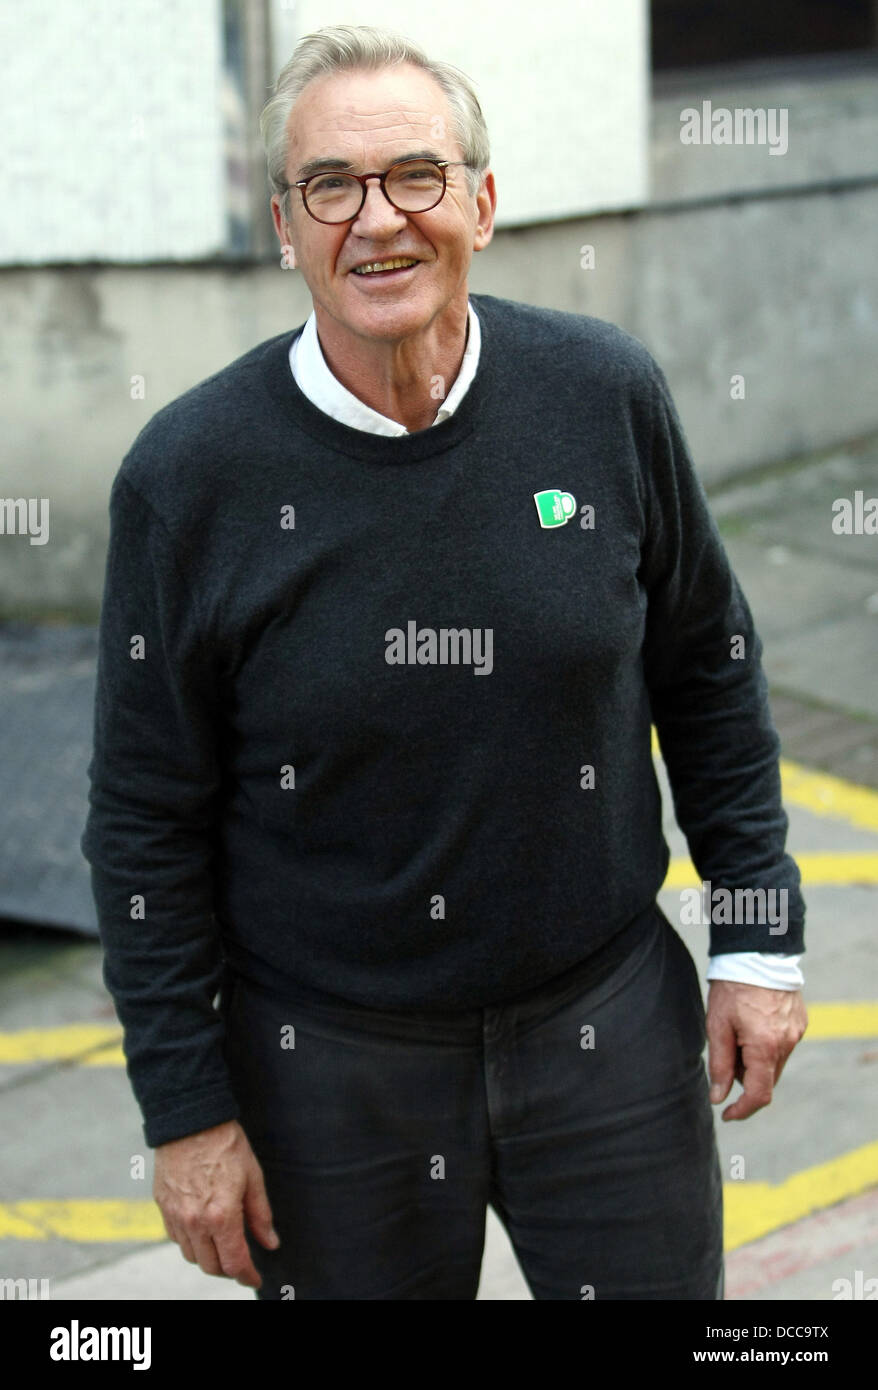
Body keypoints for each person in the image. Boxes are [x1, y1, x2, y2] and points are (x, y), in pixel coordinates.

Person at [81, 24, 808, 1301]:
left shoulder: (601, 394)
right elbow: (143, 820)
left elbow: (708, 664)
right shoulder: (190, 478)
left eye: (415, 176)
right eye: (331, 187)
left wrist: (755, 939)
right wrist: (185, 1108)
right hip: (329, 1074)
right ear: (283, 226)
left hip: (606, 1031)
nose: (378, 221)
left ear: (479, 200)